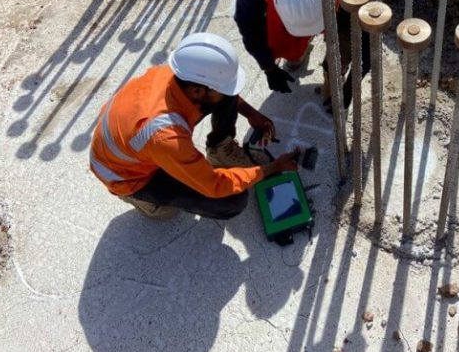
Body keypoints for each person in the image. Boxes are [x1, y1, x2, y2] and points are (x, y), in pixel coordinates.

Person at [88, 32, 300, 220]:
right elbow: (215, 185)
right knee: (233, 200)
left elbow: (225, 95)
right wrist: (272, 168)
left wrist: (251, 113)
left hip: (135, 144)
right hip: (128, 177)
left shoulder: (173, 75)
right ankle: (145, 201)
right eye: (220, 88)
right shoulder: (165, 136)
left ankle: (219, 150)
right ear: (196, 91)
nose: (227, 92)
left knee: (223, 96)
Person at [234, 0, 369, 108]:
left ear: (334, 0)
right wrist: (268, 68)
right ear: (275, 2)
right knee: (279, 39)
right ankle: (296, 51)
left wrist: (350, 87)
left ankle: (334, 78)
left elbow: (367, 48)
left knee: (344, 45)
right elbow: (247, 26)